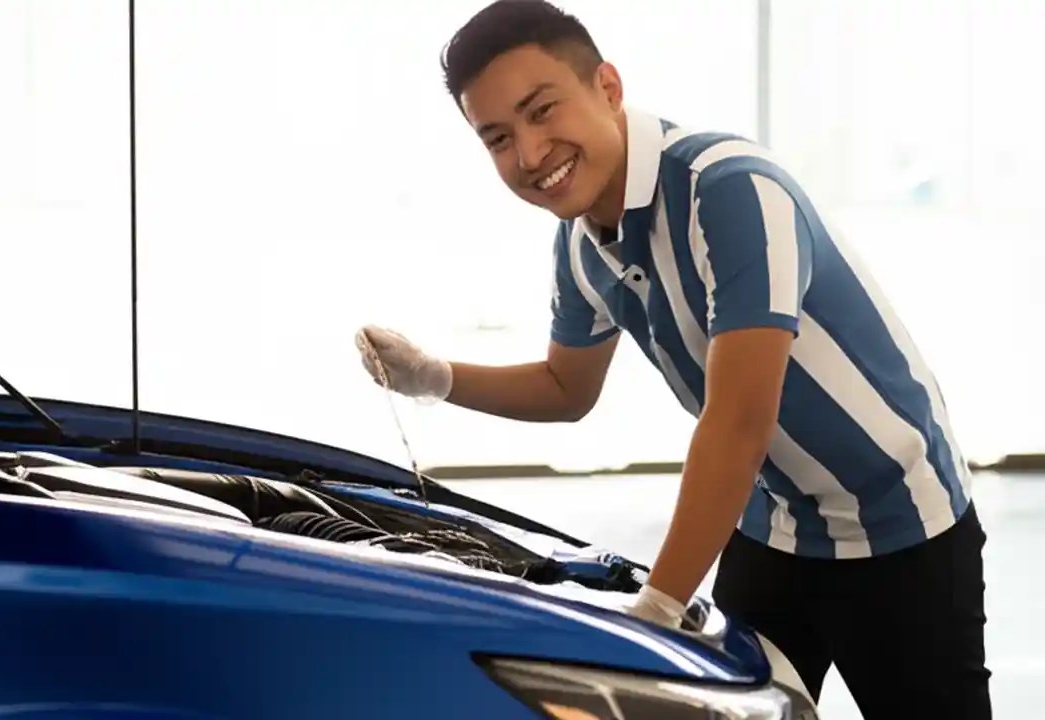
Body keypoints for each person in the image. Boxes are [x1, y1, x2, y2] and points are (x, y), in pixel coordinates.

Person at [352, 1, 991, 717]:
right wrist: (432, 377)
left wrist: (657, 605)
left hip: (900, 527)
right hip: (774, 523)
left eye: (542, 111)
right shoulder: (581, 242)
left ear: (608, 87)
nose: (530, 155)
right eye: (498, 137)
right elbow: (567, 386)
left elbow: (740, 422)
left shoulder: (731, 189)